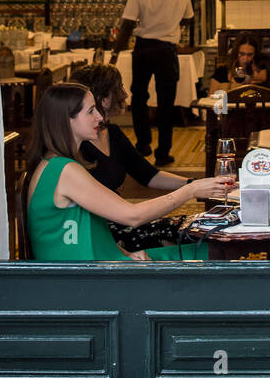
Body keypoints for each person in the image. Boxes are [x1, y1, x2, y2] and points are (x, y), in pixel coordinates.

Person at [25, 82, 230, 262]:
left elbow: (90, 229)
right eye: (90, 111)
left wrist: (124, 254)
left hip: (88, 267)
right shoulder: (65, 170)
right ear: (66, 120)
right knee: (210, 252)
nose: (99, 116)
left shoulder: (53, 164)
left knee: (207, 250)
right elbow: (132, 216)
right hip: (83, 278)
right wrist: (191, 190)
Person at [71, 62, 195, 252]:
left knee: (192, 229)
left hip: (120, 218)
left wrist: (193, 184)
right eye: (119, 88)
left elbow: (147, 174)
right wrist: (192, 190)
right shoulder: (76, 145)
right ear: (103, 98)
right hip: (100, 228)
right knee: (176, 238)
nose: (125, 94)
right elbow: (128, 215)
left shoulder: (112, 133)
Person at [109, 0, 193, 166]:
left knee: (139, 98)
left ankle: (143, 144)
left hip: (143, 48)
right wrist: (169, 20)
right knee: (166, 102)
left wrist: (115, 53)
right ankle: (163, 152)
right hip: (167, 50)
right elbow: (188, 18)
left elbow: (127, 24)